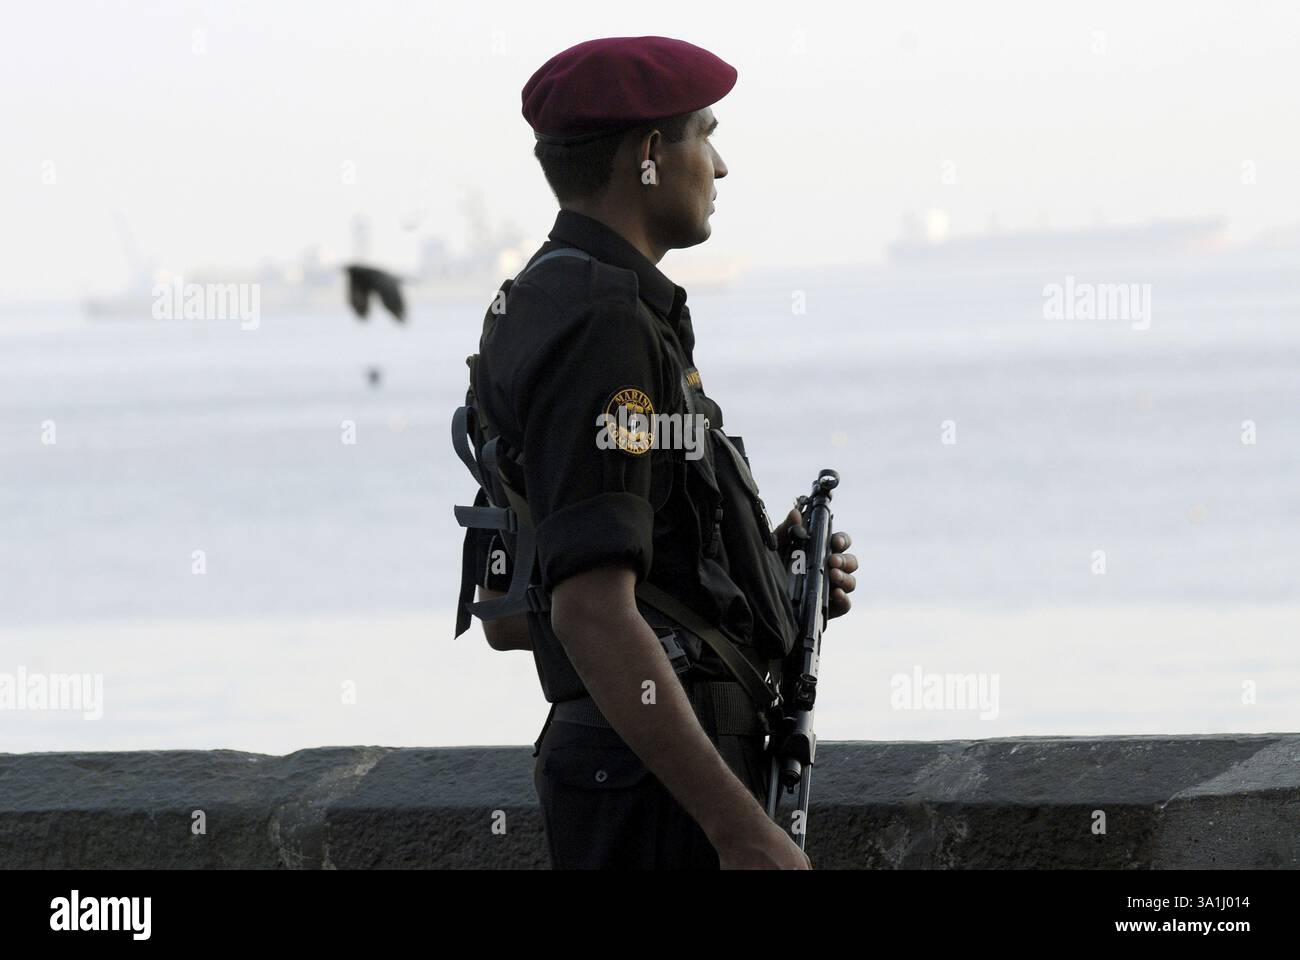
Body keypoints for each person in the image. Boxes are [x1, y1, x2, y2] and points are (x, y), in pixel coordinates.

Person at [460, 35, 857, 870]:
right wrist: (740, 832)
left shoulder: (537, 303)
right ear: (648, 155)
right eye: (703, 135)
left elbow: (517, 610)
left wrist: (758, 580)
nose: (718, 165)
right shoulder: (607, 326)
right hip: (659, 804)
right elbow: (590, 610)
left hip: (628, 775)